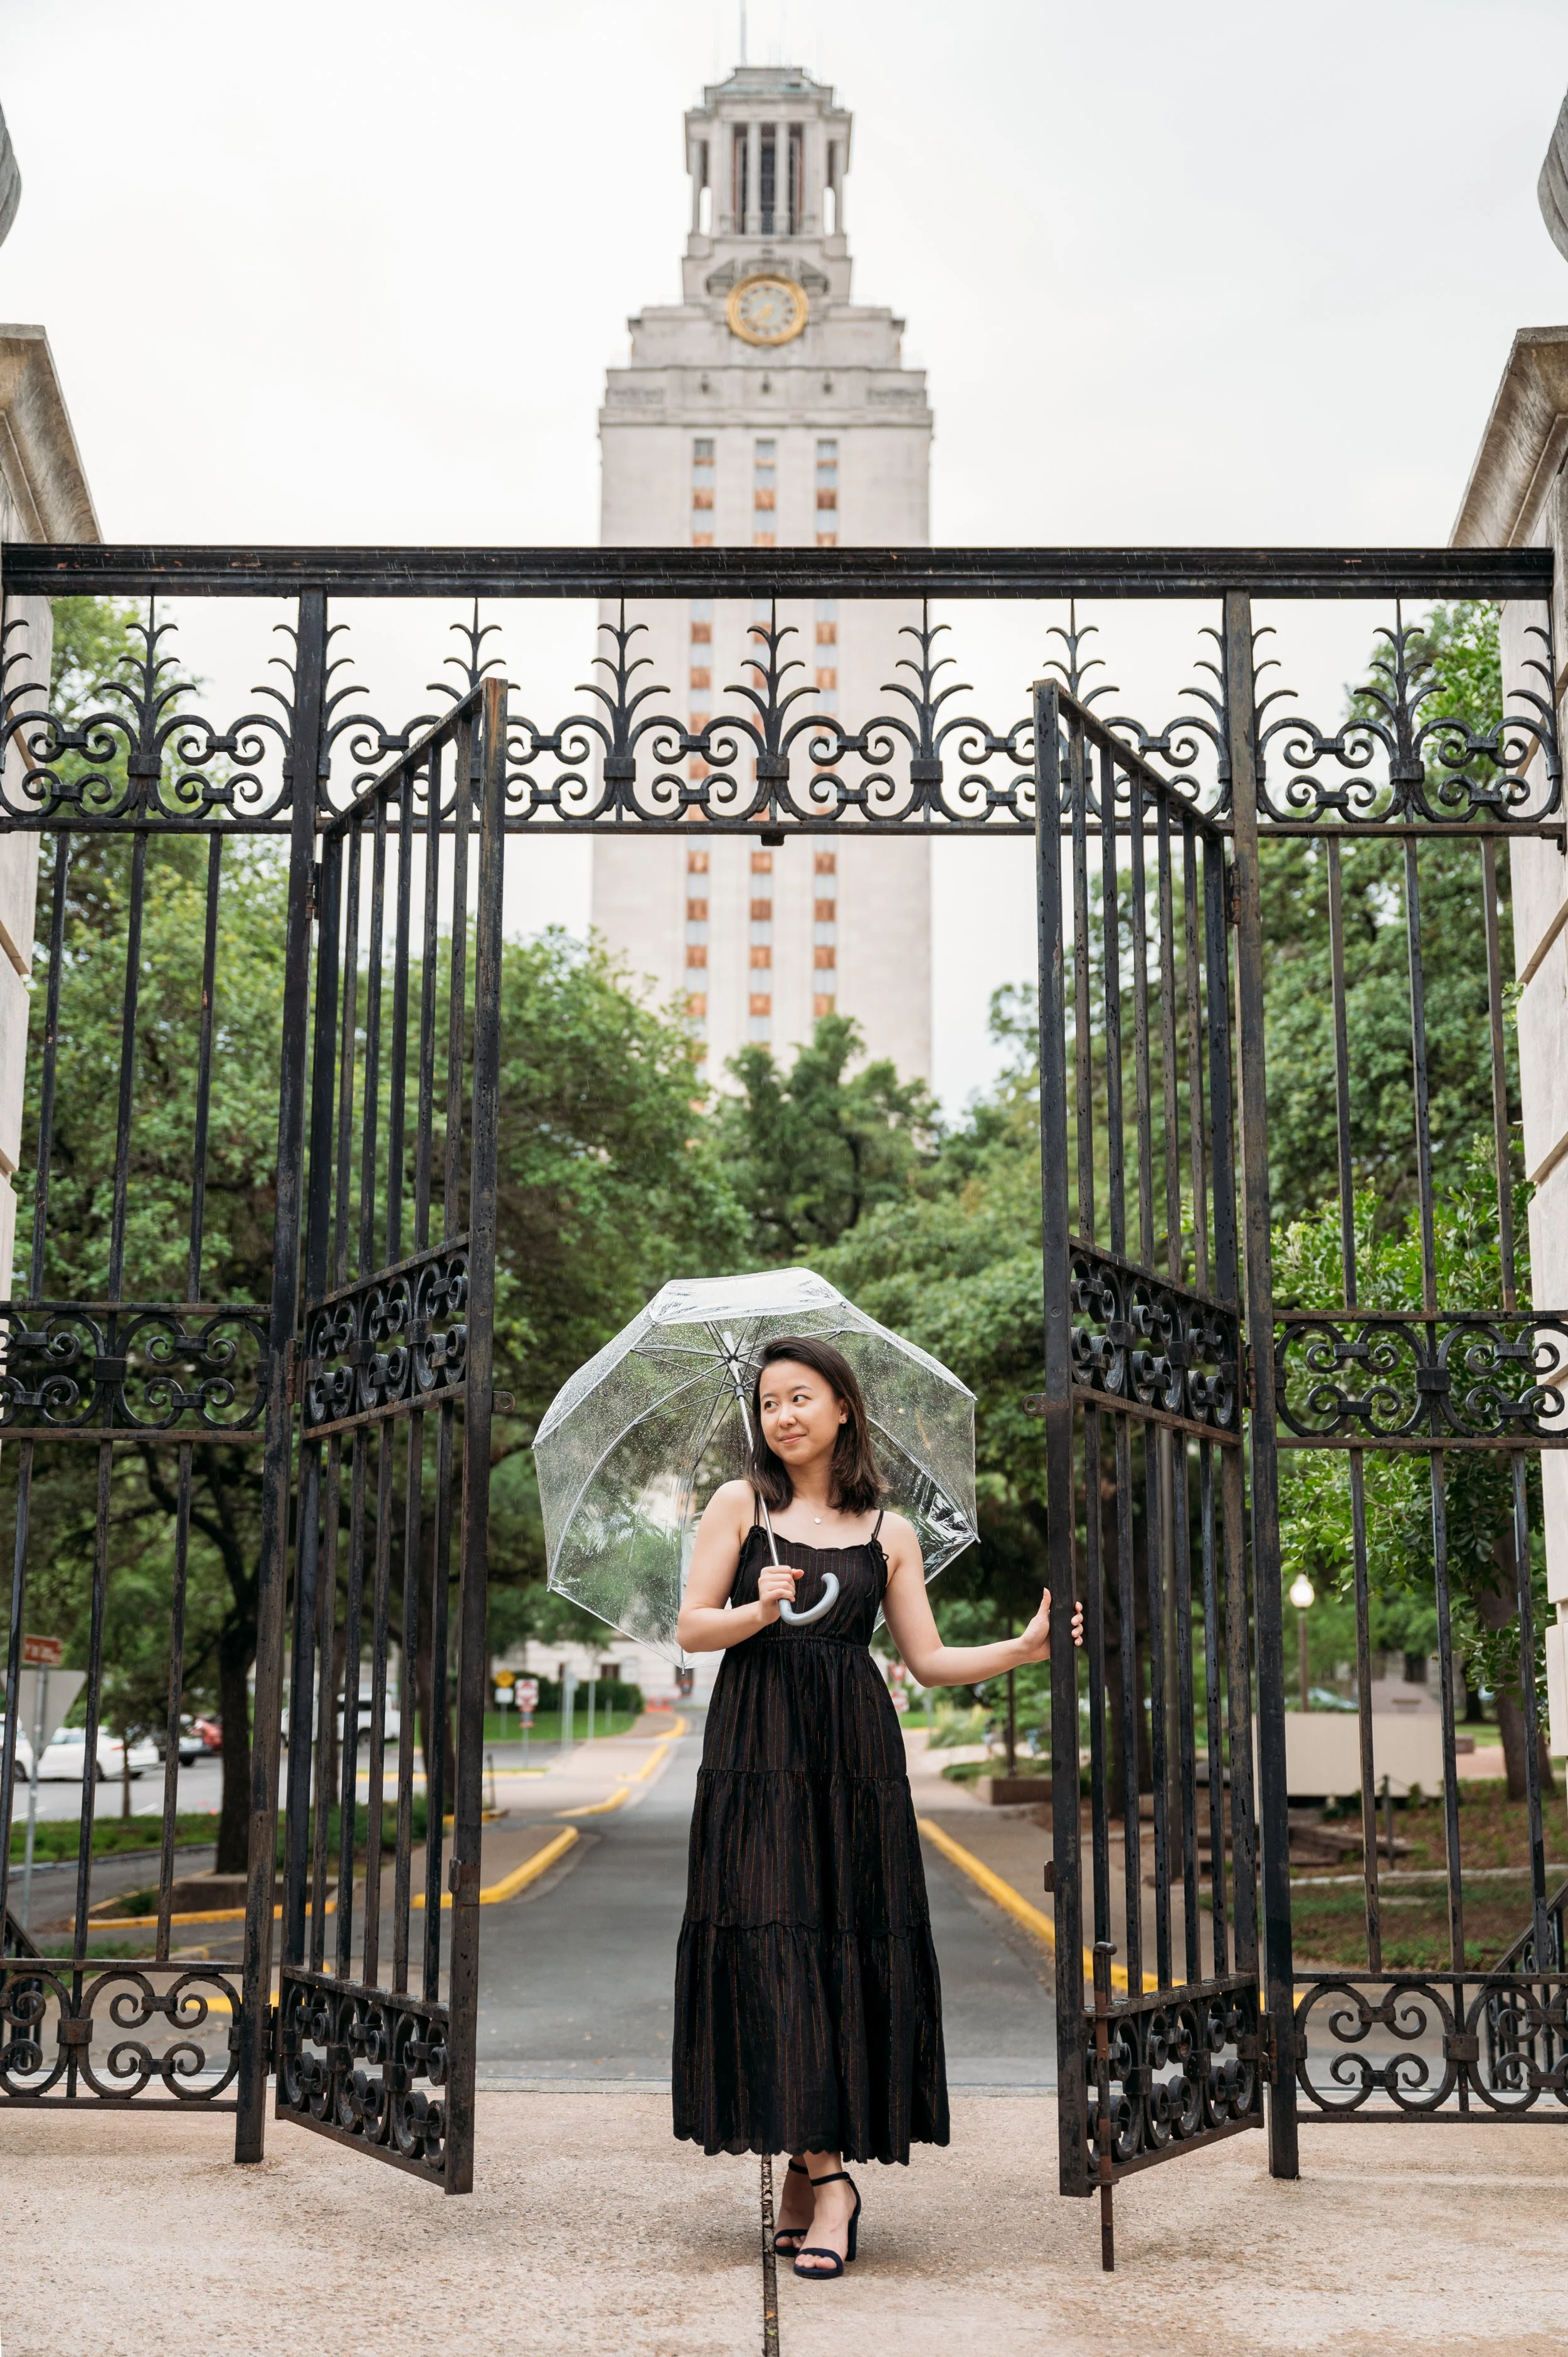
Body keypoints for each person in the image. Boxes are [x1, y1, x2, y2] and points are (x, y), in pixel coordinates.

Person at [672, 1333, 1083, 2283]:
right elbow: (692, 1627)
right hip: (756, 1754)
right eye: (769, 1402)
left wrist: (1022, 1650)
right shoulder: (740, 1506)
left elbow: (927, 1660)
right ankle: (832, 2181)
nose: (783, 1415)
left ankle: (809, 2173)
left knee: (839, 1946)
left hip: (853, 1757)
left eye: (800, 1397)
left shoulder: (888, 1530)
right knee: (769, 1947)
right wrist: (757, 1611)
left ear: (843, 1407)